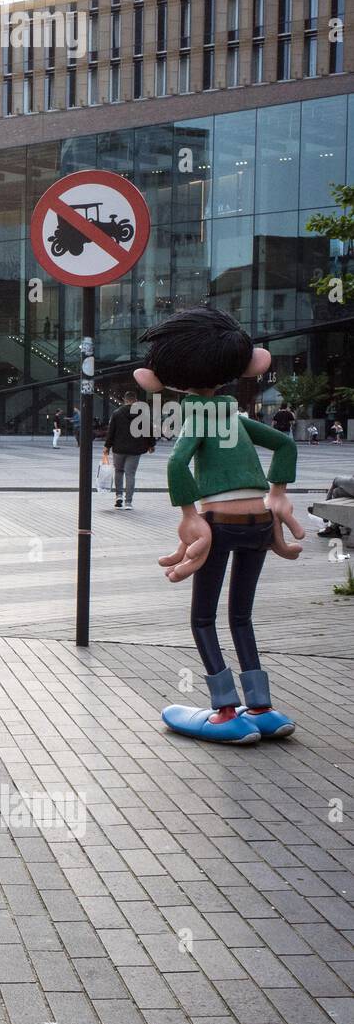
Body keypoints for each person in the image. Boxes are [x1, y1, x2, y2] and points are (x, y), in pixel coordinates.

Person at [135, 305, 302, 745]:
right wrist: (277, 494)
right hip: (260, 522)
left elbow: (176, 463)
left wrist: (190, 516)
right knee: (242, 615)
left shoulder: (199, 418)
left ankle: (226, 711)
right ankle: (262, 707)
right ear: (249, 364)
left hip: (220, 522)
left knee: (204, 618)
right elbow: (284, 444)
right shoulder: (236, 417)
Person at [103, 389, 155, 510]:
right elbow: (148, 430)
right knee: (130, 474)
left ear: (124, 400)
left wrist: (107, 446)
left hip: (119, 449)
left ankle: (118, 496)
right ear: (135, 400)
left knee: (119, 471)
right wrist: (151, 444)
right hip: (135, 449)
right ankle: (128, 502)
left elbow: (111, 431)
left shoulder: (116, 413)